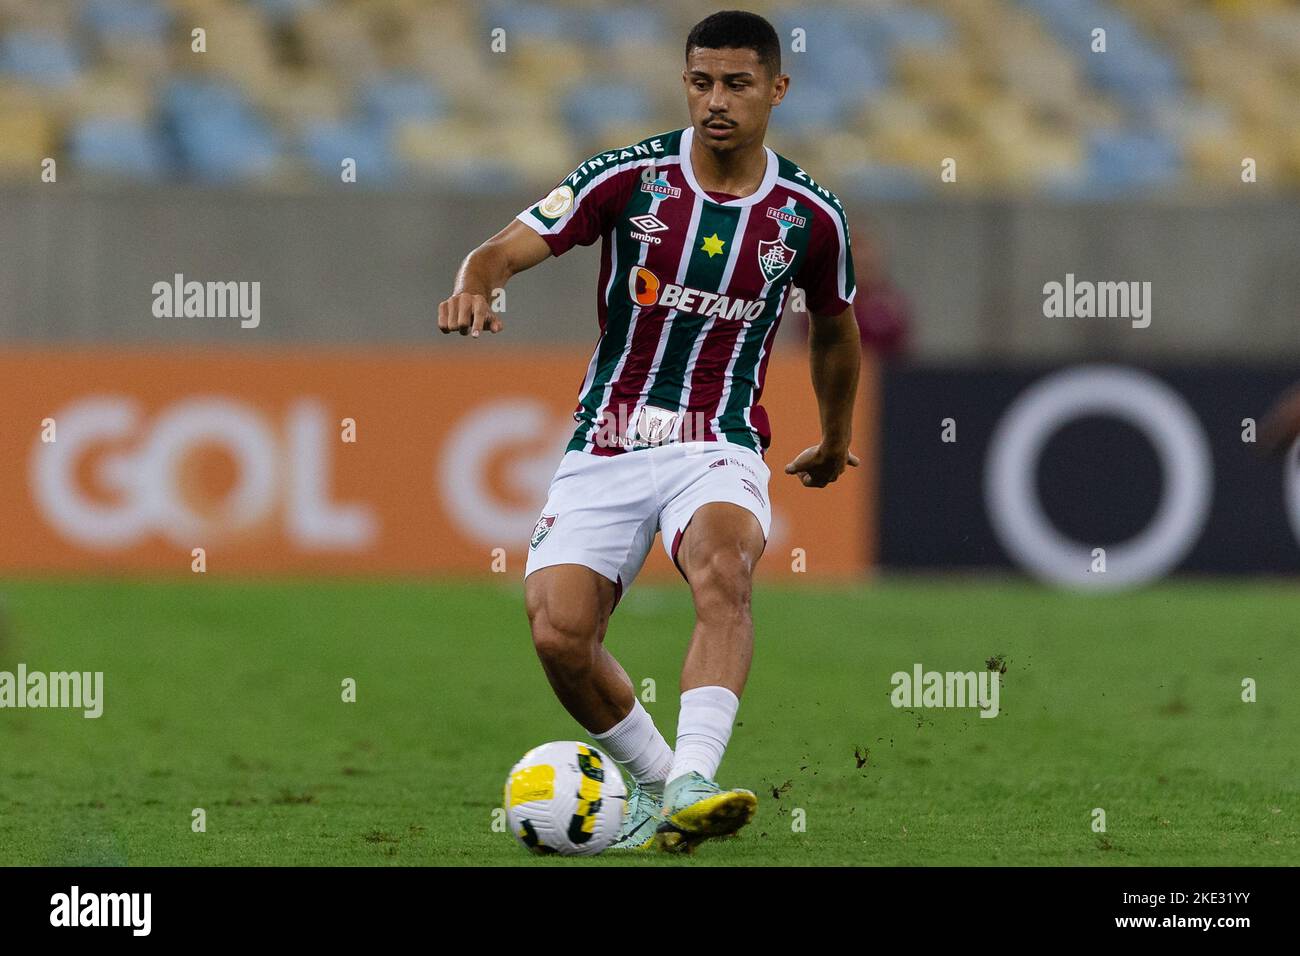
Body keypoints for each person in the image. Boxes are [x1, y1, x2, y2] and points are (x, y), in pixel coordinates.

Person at [437, 10, 860, 853]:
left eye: (737, 84)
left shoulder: (809, 217)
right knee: (559, 632)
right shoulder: (629, 179)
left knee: (724, 567)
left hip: (721, 438)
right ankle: (668, 788)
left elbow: (837, 329)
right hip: (609, 435)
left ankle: (698, 775)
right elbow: (502, 249)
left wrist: (833, 434)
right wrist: (478, 283)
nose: (716, 102)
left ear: (777, 89)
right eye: (701, 82)